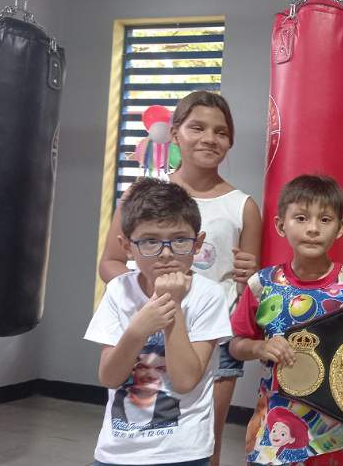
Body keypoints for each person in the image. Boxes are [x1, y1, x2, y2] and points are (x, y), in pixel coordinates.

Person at [99, 91, 263, 465]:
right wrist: (145, 304)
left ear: (230, 141)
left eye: (221, 132)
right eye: (197, 128)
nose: (209, 138)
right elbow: (110, 262)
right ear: (175, 134)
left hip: (213, 335)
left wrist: (251, 275)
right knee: (140, 430)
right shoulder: (141, 196)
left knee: (207, 439)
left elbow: (253, 285)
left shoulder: (243, 205)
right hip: (148, 331)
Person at [229, 175, 343, 466]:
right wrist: (260, 348)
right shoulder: (263, 283)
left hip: (331, 429)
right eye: (300, 217)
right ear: (281, 225)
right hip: (272, 427)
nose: (312, 229)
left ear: (341, 228)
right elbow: (236, 344)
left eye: (324, 219)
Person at [85, 178, 233, 466]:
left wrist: (172, 305)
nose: (166, 253)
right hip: (116, 450)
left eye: (179, 240)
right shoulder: (119, 292)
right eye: (150, 241)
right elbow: (110, 377)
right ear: (127, 246)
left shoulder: (209, 296)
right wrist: (139, 328)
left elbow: (185, 380)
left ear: (198, 243)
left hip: (183, 451)